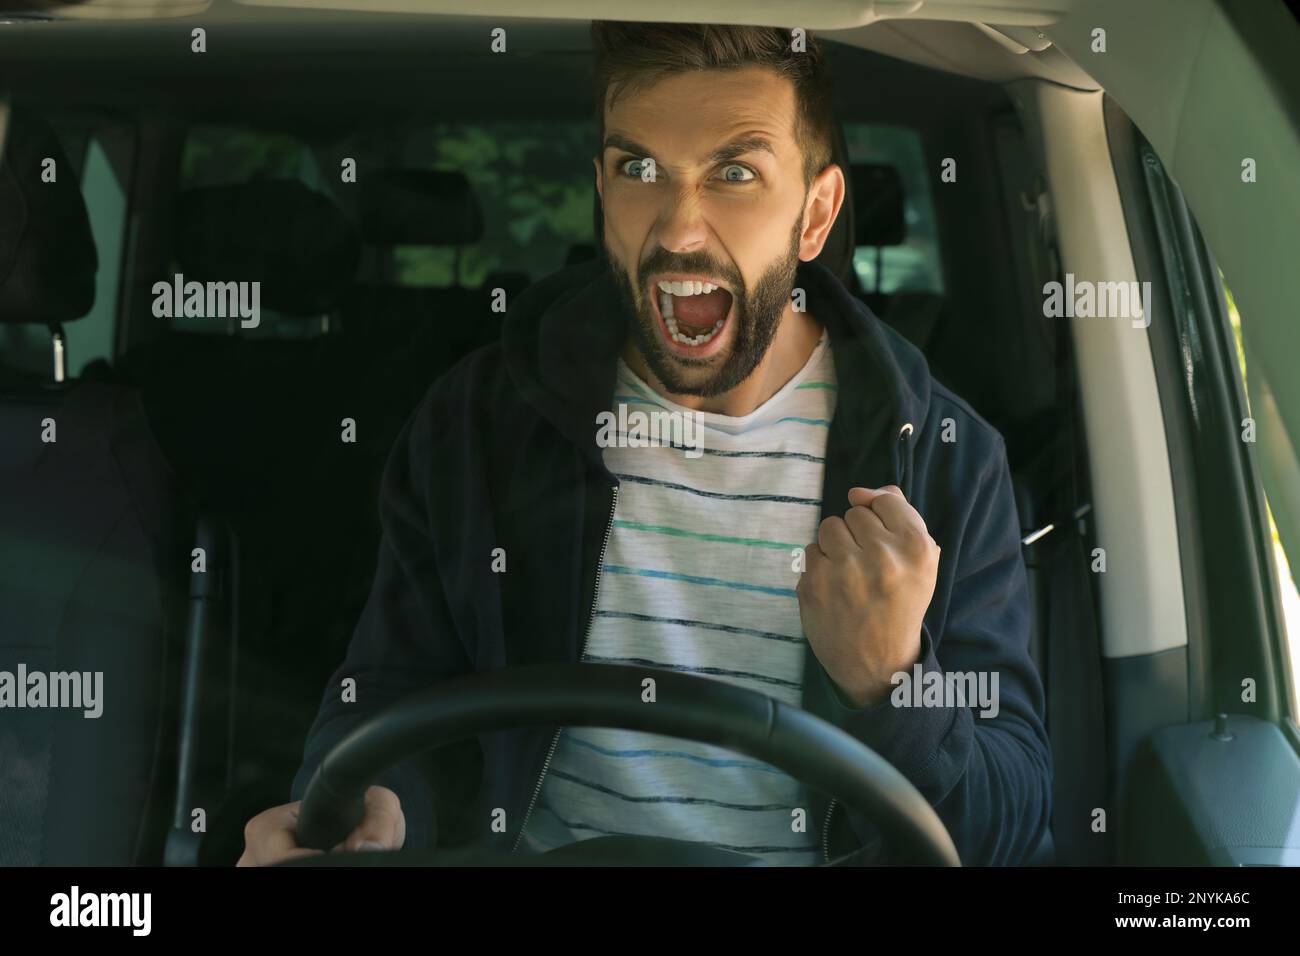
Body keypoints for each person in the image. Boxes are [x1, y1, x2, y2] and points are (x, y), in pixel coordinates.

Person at [239, 21, 1051, 867]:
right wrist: (375, 809)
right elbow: (388, 697)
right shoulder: (480, 420)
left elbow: (1009, 828)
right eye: (639, 170)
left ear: (814, 215)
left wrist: (894, 684)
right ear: (601, 189)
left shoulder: (947, 458)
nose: (680, 230)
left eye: (735, 173)